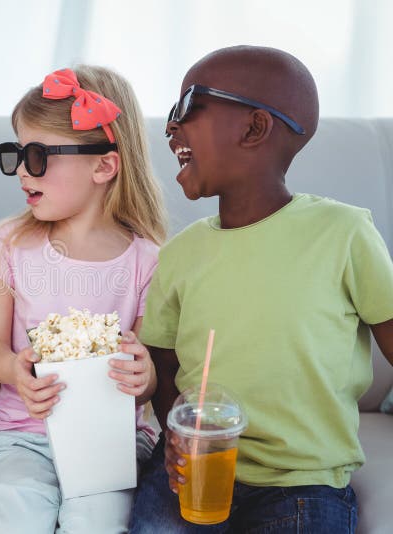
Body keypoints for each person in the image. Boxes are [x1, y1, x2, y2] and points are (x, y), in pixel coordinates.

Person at [130, 45, 393, 533]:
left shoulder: (344, 233)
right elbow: (164, 366)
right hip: (192, 475)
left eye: (187, 106)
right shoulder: (180, 253)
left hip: (302, 483)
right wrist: (176, 436)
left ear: (254, 128)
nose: (170, 127)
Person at [0, 65, 167, 533]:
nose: (21, 170)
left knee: (97, 523)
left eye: (37, 155)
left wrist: (147, 375)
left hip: (111, 439)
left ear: (104, 165)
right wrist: (14, 368)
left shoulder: (148, 260)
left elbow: (149, 366)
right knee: (12, 517)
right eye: (17, 153)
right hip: (21, 434)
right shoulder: (8, 243)